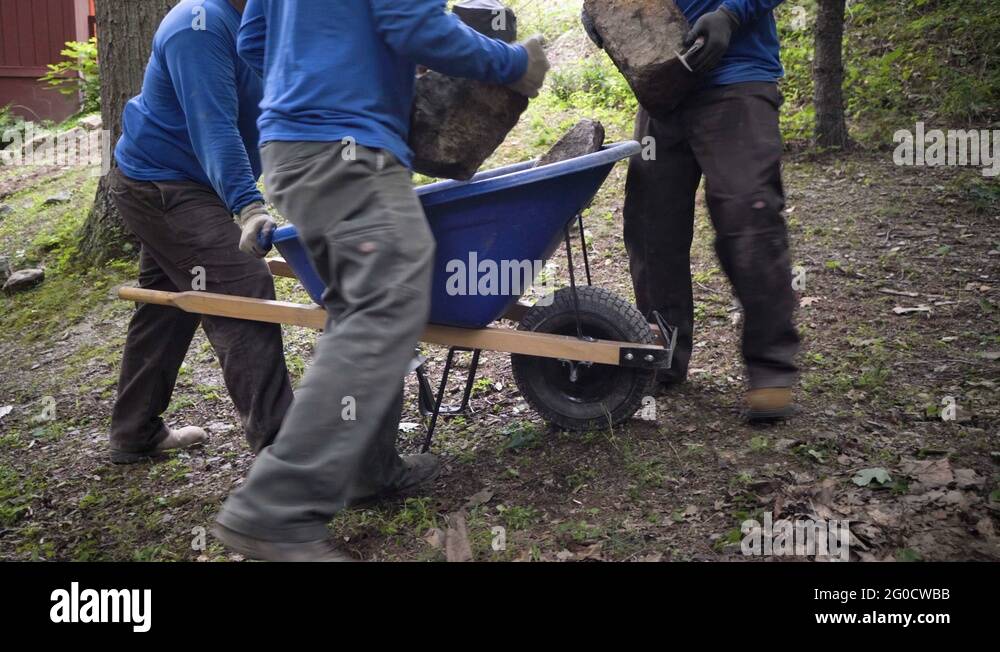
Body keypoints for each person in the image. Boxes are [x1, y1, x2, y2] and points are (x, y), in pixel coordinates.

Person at [213, 0, 549, 561]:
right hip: (345, 151)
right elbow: (414, 24)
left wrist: (334, 64)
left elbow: (254, 41)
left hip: (292, 150)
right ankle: (276, 508)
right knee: (385, 303)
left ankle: (366, 471)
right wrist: (513, 62)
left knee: (359, 309)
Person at [584, 0, 799, 421]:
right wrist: (599, 16)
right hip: (663, 89)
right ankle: (659, 356)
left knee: (748, 217)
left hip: (736, 81)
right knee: (652, 228)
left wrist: (731, 14)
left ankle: (770, 372)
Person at [109, 0, 293, 464]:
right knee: (243, 286)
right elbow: (213, 127)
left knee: (170, 302)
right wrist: (248, 208)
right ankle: (285, 457)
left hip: (191, 183)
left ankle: (135, 431)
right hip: (163, 186)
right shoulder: (200, 27)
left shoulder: (258, 21)